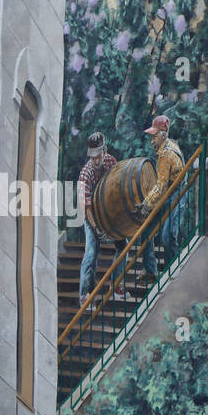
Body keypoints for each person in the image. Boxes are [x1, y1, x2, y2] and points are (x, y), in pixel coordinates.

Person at [137, 115, 187, 292]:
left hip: (177, 194)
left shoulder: (166, 155)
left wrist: (145, 204)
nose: (152, 140)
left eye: (154, 136)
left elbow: (160, 185)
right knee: (147, 230)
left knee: (167, 236)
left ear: (163, 135)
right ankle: (151, 271)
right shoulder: (169, 147)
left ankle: (173, 273)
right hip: (169, 193)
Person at [77, 132, 122, 309]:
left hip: (109, 213)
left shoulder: (112, 162)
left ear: (104, 151)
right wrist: (97, 228)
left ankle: (116, 284)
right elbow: (86, 208)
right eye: (92, 156)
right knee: (91, 253)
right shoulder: (85, 175)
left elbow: (118, 186)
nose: (95, 159)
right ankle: (85, 294)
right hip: (91, 216)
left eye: (98, 155)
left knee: (123, 244)